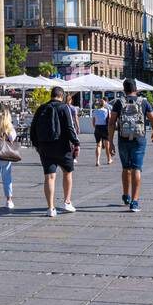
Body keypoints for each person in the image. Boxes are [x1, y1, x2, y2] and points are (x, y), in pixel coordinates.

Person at [107, 78, 153, 213]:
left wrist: (110, 141)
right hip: (139, 139)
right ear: (136, 89)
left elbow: (112, 123)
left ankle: (126, 196)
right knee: (137, 169)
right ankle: (134, 202)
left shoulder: (119, 103)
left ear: (124, 90)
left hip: (123, 139)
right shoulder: (144, 102)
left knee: (126, 168)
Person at [31, 86, 80, 217]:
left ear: (51, 95)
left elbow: (33, 128)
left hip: (45, 147)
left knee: (49, 176)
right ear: (62, 96)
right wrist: (76, 143)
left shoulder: (41, 108)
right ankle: (67, 202)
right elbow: (70, 128)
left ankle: (50, 208)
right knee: (67, 173)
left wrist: (37, 145)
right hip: (62, 147)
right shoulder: (65, 108)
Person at [92, 98, 112, 166]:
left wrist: (97, 127)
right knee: (107, 145)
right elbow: (109, 120)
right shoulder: (107, 110)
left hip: (97, 128)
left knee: (98, 145)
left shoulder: (95, 111)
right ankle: (109, 159)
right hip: (105, 128)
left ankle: (97, 161)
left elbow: (93, 123)